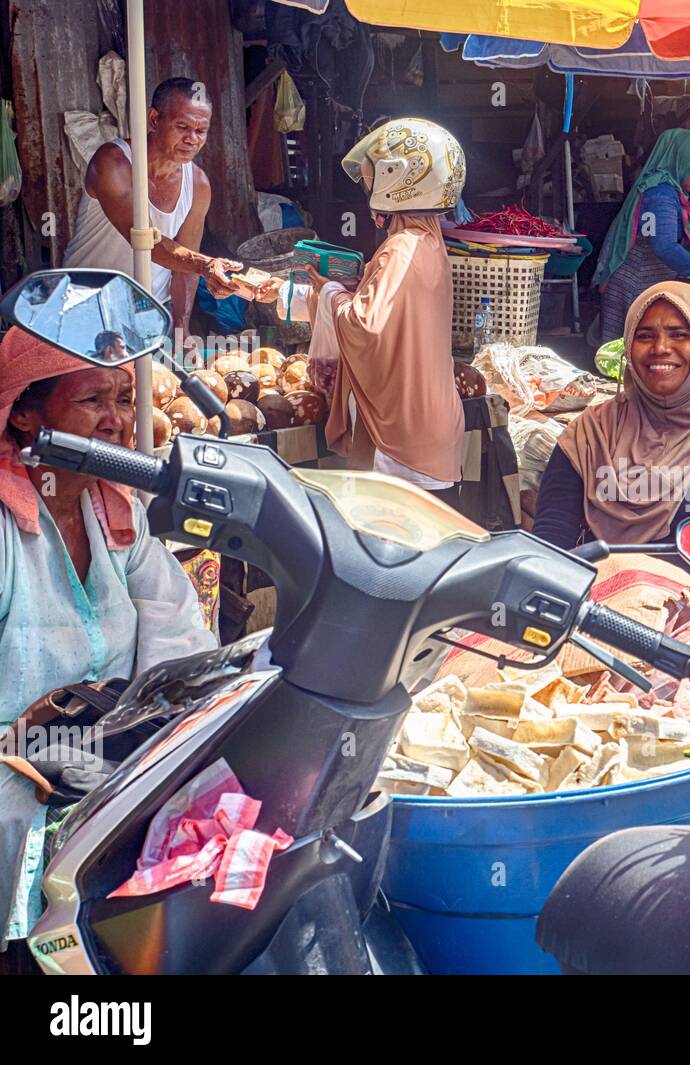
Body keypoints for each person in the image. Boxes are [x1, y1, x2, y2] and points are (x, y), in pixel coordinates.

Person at [0, 327, 216, 955]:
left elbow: (180, 639)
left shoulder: (115, 512)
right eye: (93, 400)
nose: (117, 421)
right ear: (22, 412)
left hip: (101, 773)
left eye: (123, 399)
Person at [533, 281, 690, 674]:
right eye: (645, 335)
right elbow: (552, 541)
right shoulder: (589, 435)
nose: (660, 348)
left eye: (679, 335)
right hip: (595, 626)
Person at [301, 119, 466, 505]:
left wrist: (331, 294)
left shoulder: (400, 248)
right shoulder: (429, 243)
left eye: (372, 178)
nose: (367, 188)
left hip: (403, 438)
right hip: (431, 427)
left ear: (397, 181)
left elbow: (364, 326)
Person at [63, 78, 275, 333]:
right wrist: (206, 265)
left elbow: (185, 266)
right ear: (154, 120)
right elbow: (146, 243)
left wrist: (181, 325)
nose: (192, 139)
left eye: (201, 131)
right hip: (88, 302)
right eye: (183, 127)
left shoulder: (198, 184)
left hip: (149, 309)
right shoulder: (113, 163)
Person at [593, 130, 690, 345]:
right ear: (683, 160)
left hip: (638, 285)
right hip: (633, 286)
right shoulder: (660, 194)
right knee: (623, 361)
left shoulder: (663, 189)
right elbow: (665, 247)